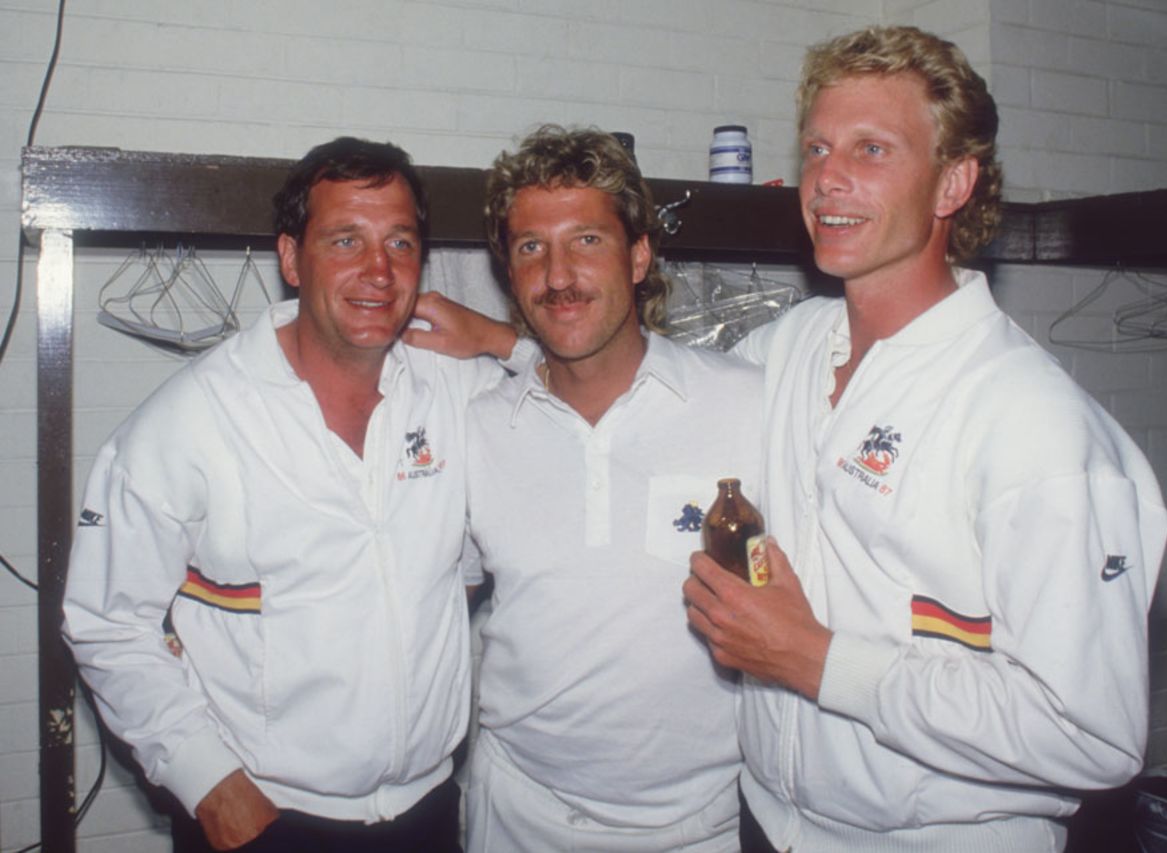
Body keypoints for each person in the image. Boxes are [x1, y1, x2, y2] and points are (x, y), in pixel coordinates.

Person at [681, 25, 1167, 853]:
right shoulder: (796, 343)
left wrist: (817, 659)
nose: (827, 179)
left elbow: (1093, 732)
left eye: (871, 149)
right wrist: (505, 347)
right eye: (817, 148)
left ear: (953, 182)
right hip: (770, 826)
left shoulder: (1034, 421)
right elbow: (664, 390)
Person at [62, 137, 525, 852]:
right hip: (264, 819)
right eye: (346, 239)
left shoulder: (457, 392)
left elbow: (590, 409)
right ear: (289, 257)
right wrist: (208, 781)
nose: (378, 270)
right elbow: (105, 621)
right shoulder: (192, 419)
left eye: (400, 242)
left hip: (427, 810)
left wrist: (501, 338)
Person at [412, 125, 761, 852]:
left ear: (639, 256)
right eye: (531, 247)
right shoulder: (477, 429)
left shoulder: (747, 405)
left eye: (587, 241)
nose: (558, 274)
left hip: (708, 822)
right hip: (519, 816)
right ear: (508, 270)